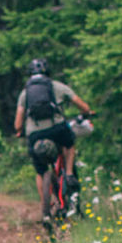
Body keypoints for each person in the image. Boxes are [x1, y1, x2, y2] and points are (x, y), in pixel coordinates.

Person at [12, 58, 93, 222]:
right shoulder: (57, 86)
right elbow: (82, 105)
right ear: (47, 72)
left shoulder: (25, 93)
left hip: (34, 134)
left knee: (40, 171)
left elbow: (18, 123)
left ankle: (45, 207)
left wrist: (20, 131)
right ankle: (69, 174)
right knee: (69, 143)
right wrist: (87, 112)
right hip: (56, 128)